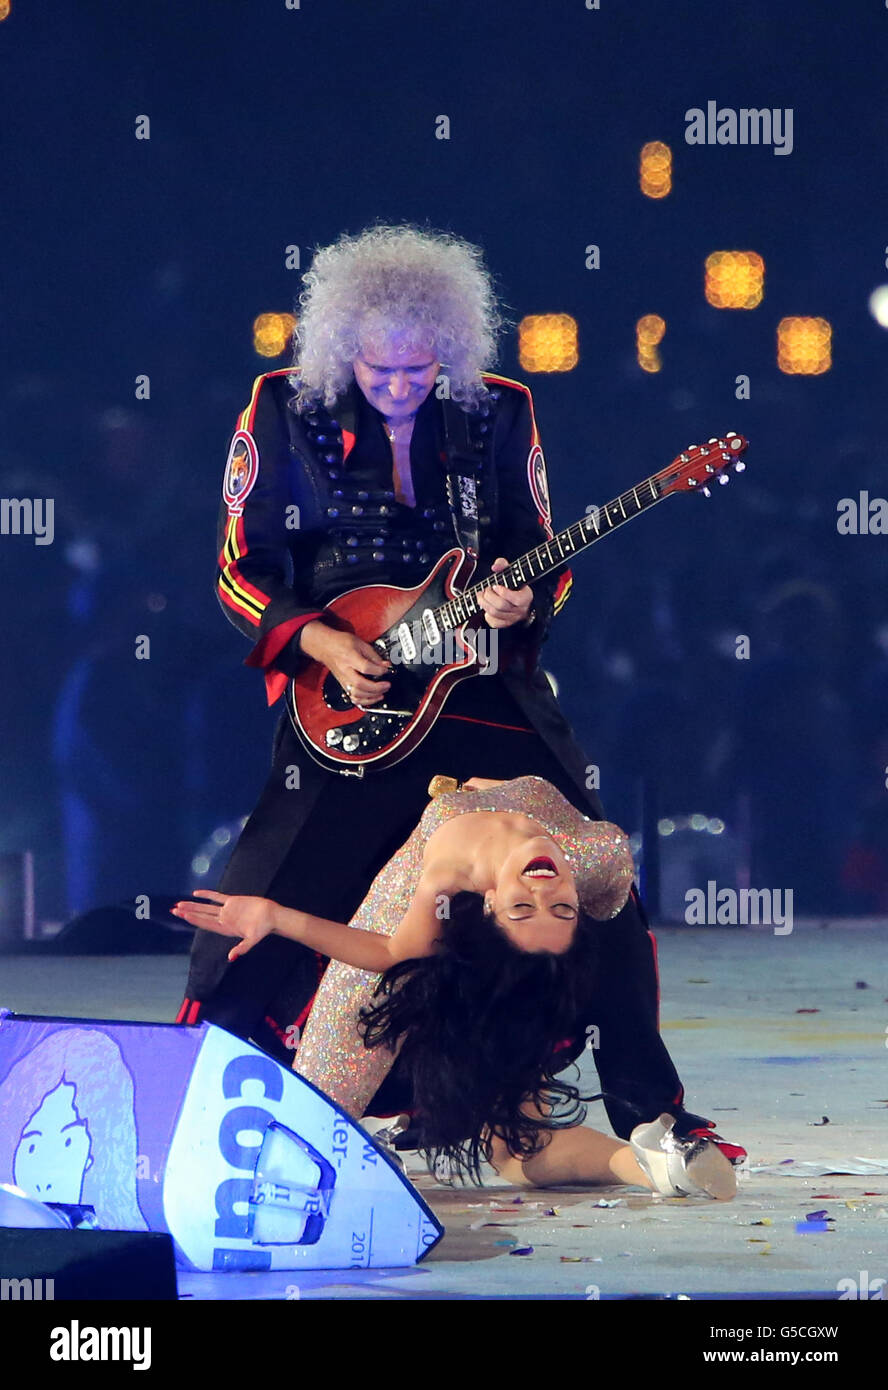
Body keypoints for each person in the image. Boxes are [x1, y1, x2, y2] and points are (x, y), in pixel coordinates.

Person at [177, 223, 742, 1161]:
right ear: (338, 348)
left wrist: (527, 599)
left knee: (602, 892)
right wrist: (318, 637)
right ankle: (209, 1095)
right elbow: (241, 569)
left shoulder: (501, 409)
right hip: (351, 692)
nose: (400, 388)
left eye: (419, 370)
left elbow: (545, 553)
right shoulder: (279, 409)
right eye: (378, 370)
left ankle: (656, 1115)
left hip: (483, 683)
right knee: (269, 889)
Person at [174, 776, 737, 1197]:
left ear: (490, 904)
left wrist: (274, 916)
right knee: (325, 1123)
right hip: (430, 936)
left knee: (323, 1134)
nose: (544, 889)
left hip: (393, 935)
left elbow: (392, 953)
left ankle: (652, 1167)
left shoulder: (449, 876)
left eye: (537, 907)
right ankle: (646, 1165)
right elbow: (401, 952)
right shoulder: (602, 858)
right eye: (552, 905)